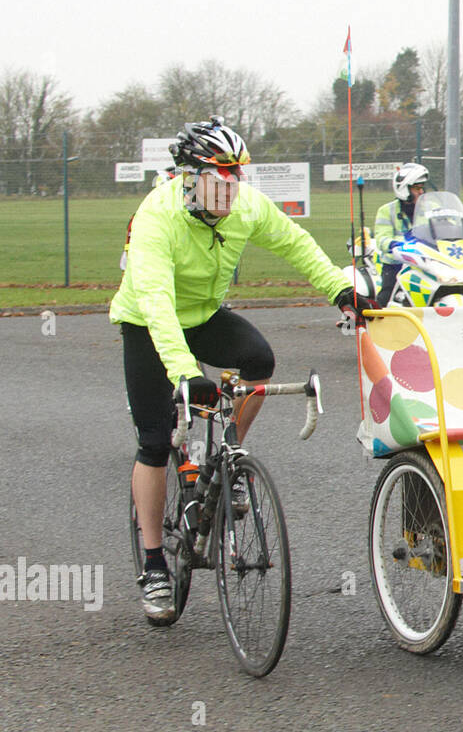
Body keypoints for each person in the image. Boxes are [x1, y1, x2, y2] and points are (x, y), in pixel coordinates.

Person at [111, 117, 373, 624]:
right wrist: (186, 373)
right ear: (188, 177)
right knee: (152, 438)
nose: (232, 188)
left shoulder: (244, 206)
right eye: (220, 177)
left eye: (237, 177)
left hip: (204, 315)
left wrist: (341, 291)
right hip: (148, 322)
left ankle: (224, 450)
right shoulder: (157, 217)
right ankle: (152, 564)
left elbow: (295, 243)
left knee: (259, 360)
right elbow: (157, 304)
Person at [373, 163, 434, 306]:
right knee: (386, 298)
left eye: (422, 188)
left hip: (427, 264)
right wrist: (398, 243)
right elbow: (381, 240)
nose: (421, 192)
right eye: (416, 188)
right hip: (397, 266)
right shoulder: (386, 211)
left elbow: (446, 227)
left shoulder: (432, 208)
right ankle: (377, 322)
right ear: (404, 189)